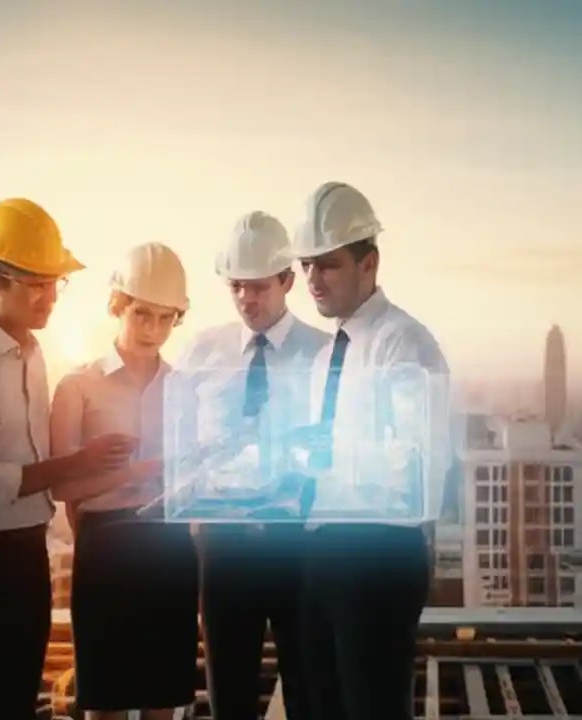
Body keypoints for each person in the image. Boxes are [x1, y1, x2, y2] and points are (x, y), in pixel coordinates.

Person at [0, 198, 141, 719]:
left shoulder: (32, 352)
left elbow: (36, 455)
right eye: (36, 284)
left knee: (17, 695)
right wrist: (72, 465)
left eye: (54, 283)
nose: (49, 298)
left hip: (26, 548)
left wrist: (94, 460)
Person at [291, 182, 454, 720]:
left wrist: (332, 457)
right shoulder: (324, 359)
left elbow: (415, 462)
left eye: (328, 265)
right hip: (320, 553)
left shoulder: (404, 344)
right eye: (307, 265)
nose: (313, 280)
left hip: (377, 556)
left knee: (371, 707)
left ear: (370, 263)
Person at [175, 212, 328, 720]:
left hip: (298, 546)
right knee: (229, 692)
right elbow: (179, 443)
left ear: (287, 281)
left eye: (259, 287)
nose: (247, 299)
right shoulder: (201, 350)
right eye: (237, 287)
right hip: (223, 547)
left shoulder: (323, 354)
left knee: (308, 687)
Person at [50, 241, 198, 720]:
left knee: (163, 701)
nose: (153, 329)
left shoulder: (185, 388)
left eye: (165, 318)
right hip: (105, 549)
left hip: (171, 547)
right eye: (141, 314)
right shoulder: (78, 386)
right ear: (117, 305)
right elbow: (59, 488)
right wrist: (134, 473)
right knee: (104, 703)